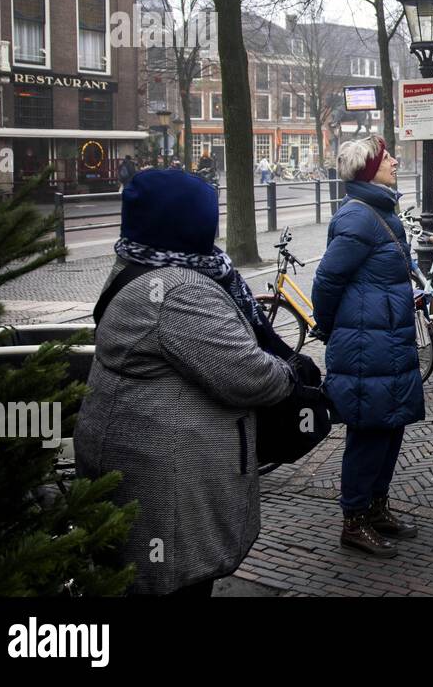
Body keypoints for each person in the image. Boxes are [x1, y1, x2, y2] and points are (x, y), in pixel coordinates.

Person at [74, 169, 299, 596]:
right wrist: (290, 373)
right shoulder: (179, 289)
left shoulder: (136, 261)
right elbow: (248, 376)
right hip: (169, 479)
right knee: (174, 584)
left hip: (130, 455)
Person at [310, 135, 423, 557]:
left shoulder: (382, 212)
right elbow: (326, 280)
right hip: (366, 344)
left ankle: (377, 508)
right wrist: (329, 327)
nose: (394, 159)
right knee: (370, 432)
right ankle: (353, 521)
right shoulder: (360, 218)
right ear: (367, 169)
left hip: (387, 339)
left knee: (390, 425)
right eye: (385, 156)